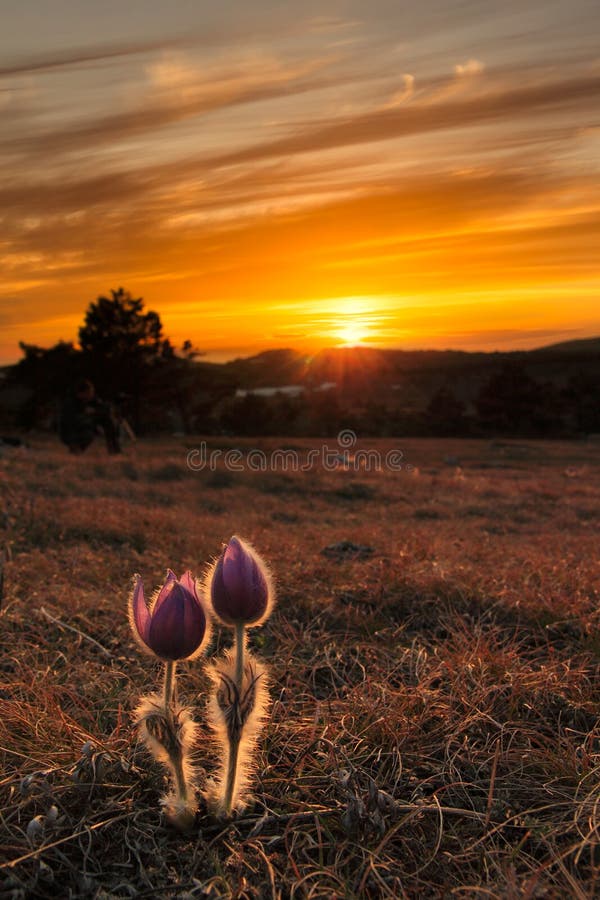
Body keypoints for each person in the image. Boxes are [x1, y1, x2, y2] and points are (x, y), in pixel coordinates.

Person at [59, 379, 121, 454]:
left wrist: (98, 412)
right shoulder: (70, 403)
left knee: (108, 419)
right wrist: (87, 415)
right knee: (87, 433)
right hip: (71, 431)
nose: (91, 394)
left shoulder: (92, 400)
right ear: (81, 393)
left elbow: (103, 408)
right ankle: (75, 448)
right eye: (89, 392)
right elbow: (69, 422)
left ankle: (114, 448)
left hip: (86, 423)